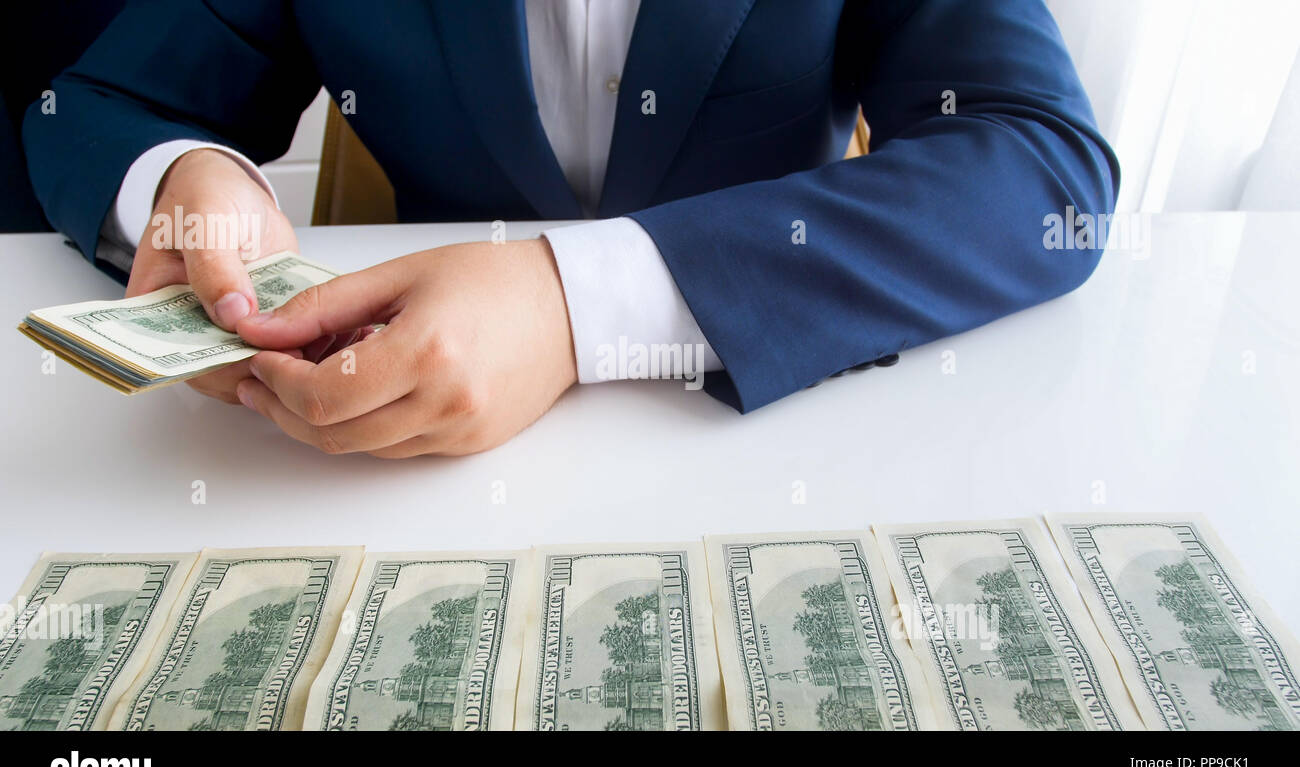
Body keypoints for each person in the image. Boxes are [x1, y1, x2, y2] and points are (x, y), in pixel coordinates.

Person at [23, 0, 1117, 457]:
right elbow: (96, 107)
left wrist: (569, 298)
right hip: (379, 471)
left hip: (775, 429)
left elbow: (1040, 165)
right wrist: (182, 178)